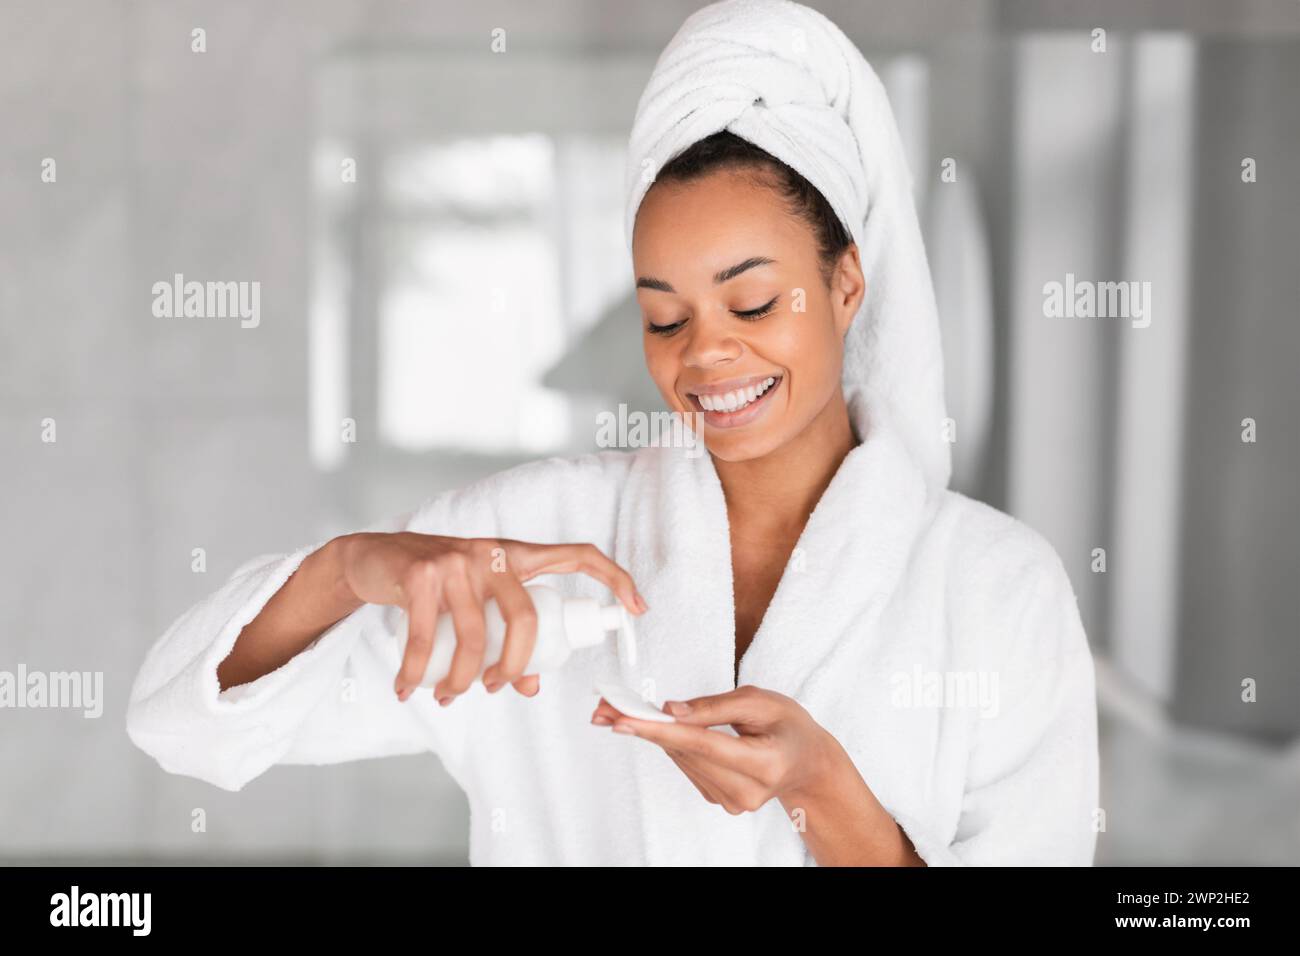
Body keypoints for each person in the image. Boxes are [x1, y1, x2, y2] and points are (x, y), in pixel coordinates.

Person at [126, 0, 1099, 866]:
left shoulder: (993, 589)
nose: (705, 355)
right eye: (664, 317)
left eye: (753, 302)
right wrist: (348, 566)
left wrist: (823, 792)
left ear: (847, 283)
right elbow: (184, 720)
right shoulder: (532, 539)